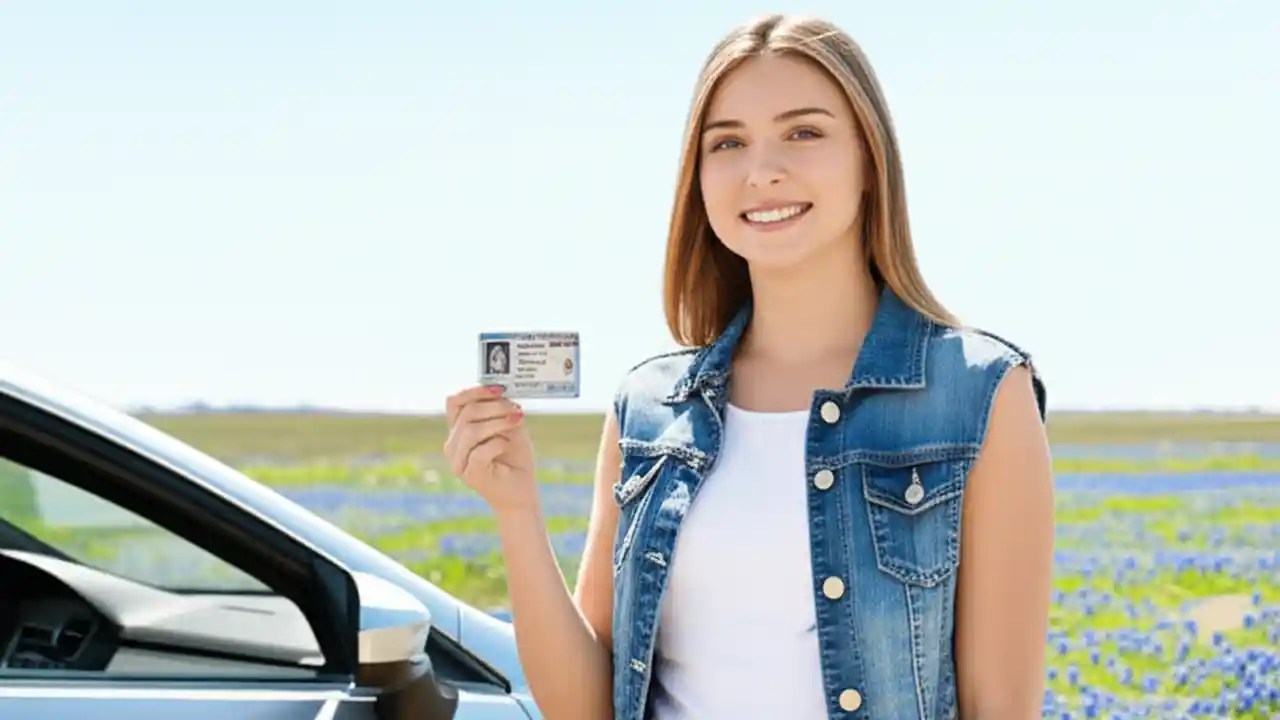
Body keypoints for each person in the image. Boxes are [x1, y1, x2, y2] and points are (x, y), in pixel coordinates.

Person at [444, 13, 1055, 720]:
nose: (761, 171)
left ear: (869, 163)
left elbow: (1001, 706)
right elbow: (585, 709)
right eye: (727, 142)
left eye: (803, 132)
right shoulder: (650, 407)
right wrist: (517, 514)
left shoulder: (979, 395)